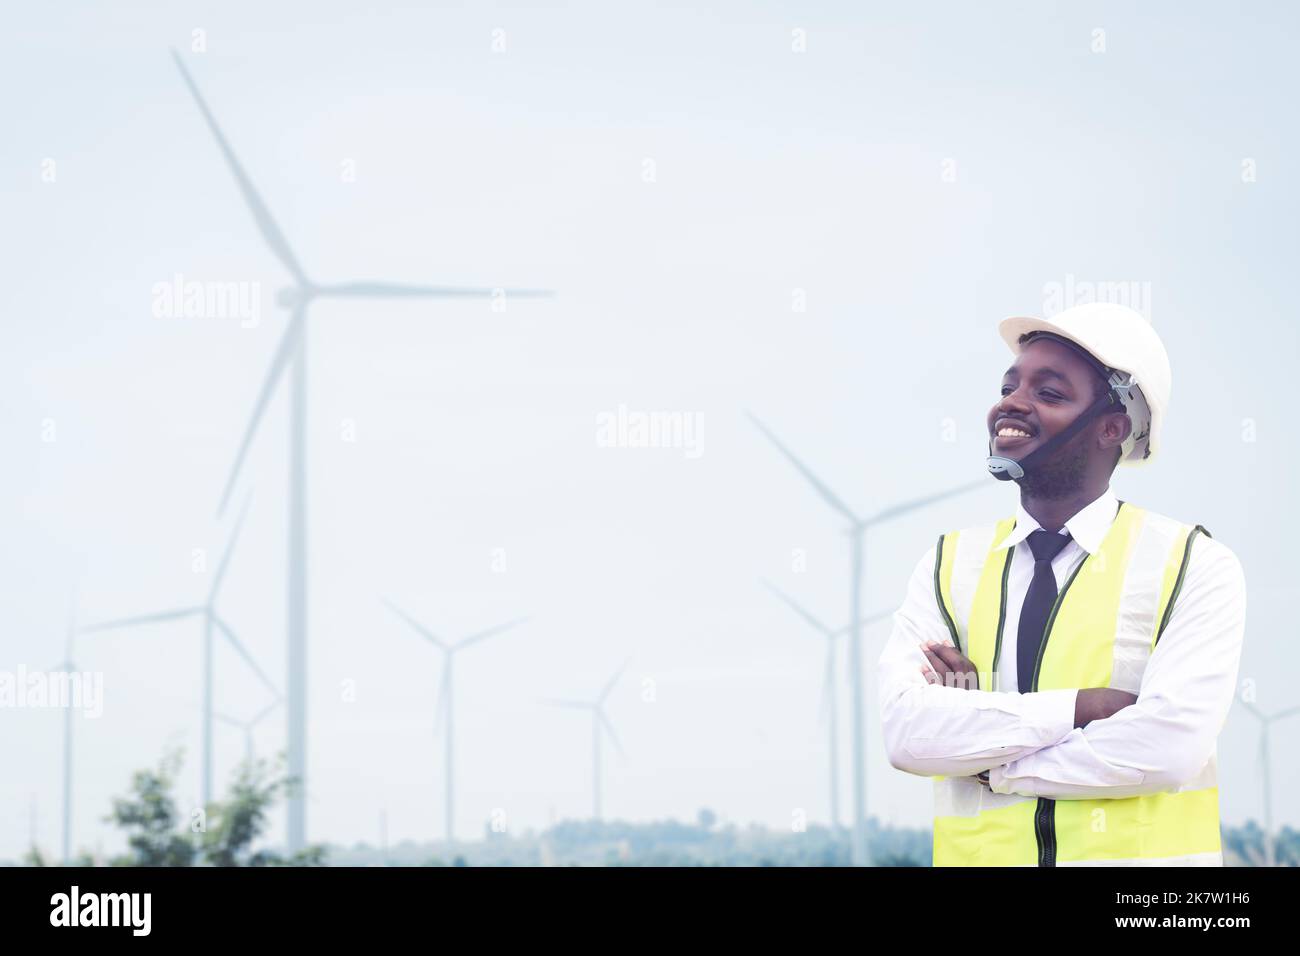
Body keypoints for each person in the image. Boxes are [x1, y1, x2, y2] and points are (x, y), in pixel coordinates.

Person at [877, 302, 1246, 866]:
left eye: (1049, 393)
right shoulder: (946, 564)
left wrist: (984, 758)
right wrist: (1082, 708)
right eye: (1010, 385)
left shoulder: (1193, 565)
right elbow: (907, 735)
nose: (1011, 403)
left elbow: (1167, 749)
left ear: (1111, 427)